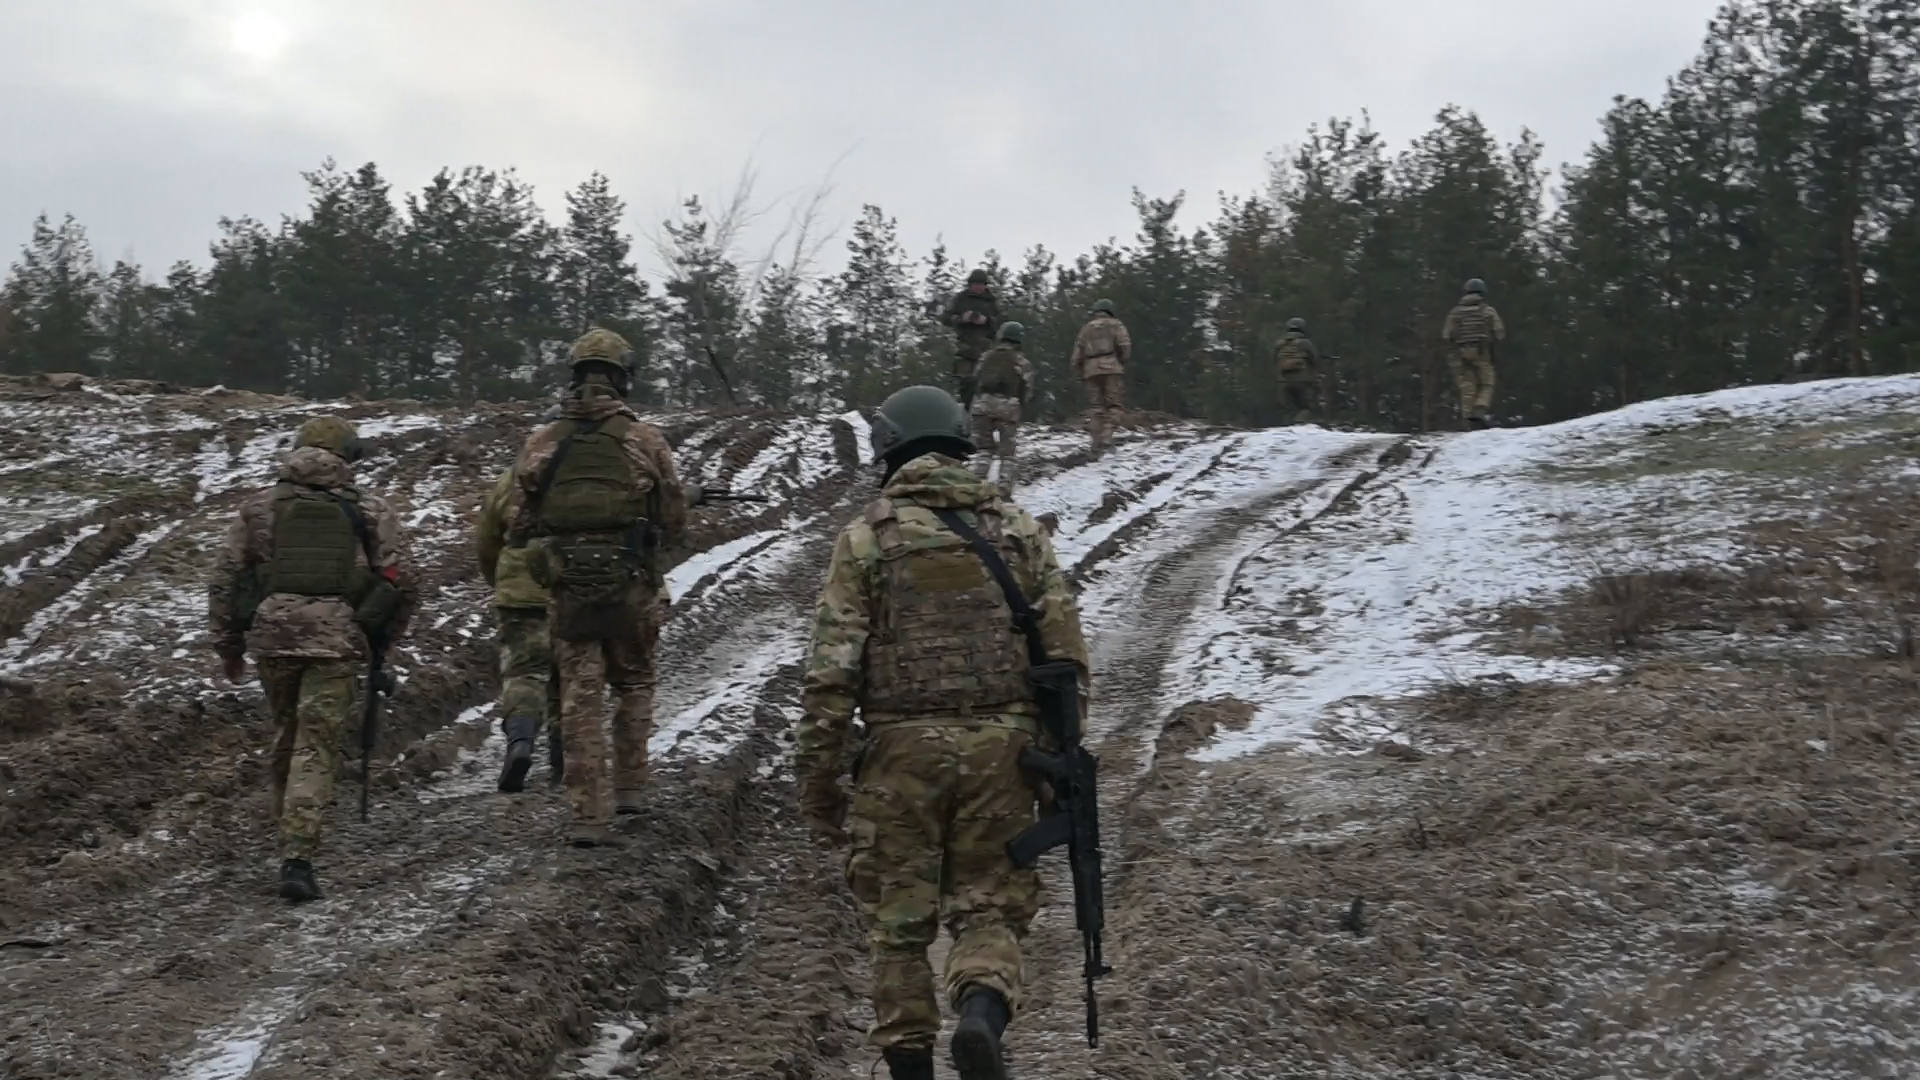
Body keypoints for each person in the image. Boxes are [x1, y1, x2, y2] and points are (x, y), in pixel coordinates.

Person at [796, 385, 1091, 1080]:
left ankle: (909, 1068)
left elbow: (831, 671)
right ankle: (982, 1011)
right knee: (990, 903)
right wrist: (1059, 759)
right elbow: (1065, 655)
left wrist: (818, 777)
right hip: (1005, 753)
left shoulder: (868, 538)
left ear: (889, 451)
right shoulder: (1017, 530)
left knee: (898, 926)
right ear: (962, 445)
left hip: (899, 756)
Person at [209, 415, 415, 902]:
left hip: (272, 638)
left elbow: (224, 579)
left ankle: (289, 839)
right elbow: (402, 580)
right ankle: (297, 855)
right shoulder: (368, 508)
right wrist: (384, 641)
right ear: (348, 456)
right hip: (336, 641)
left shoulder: (259, 508)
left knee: (285, 737)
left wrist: (228, 646)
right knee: (316, 745)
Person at [507, 328, 687, 848]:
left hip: (568, 588)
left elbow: (518, 524)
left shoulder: (542, 443)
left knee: (579, 696)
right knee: (633, 683)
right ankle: (631, 788)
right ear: (622, 379)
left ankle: (589, 814)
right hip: (632, 582)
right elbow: (674, 518)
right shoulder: (645, 439)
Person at [475, 466, 563, 792]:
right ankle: (563, 759)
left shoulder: (517, 475)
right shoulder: (590, 472)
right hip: (573, 586)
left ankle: (521, 742)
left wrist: (501, 582)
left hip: (520, 590)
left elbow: (486, 538)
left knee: (524, 672)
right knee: (570, 671)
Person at [968, 321, 1035, 491]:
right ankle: (1004, 488)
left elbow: (975, 378)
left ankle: (976, 484)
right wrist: (1019, 405)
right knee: (1007, 452)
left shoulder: (986, 356)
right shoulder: (1021, 361)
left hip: (982, 405)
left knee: (984, 449)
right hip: (1007, 406)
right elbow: (1028, 387)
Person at [1441, 277, 1507, 429]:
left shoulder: (1455, 312)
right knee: (1487, 382)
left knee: (1467, 386)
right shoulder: (1488, 310)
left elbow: (1446, 334)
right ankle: (1479, 412)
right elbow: (1500, 332)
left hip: (1461, 353)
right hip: (1481, 351)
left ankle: (1467, 421)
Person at [1070, 298, 1130, 457]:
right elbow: (1124, 346)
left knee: (1096, 408)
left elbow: (1077, 354)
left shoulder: (1085, 329)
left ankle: (1096, 443)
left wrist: (1079, 371)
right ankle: (1107, 436)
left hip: (1090, 369)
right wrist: (1121, 361)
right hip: (1111, 365)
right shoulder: (1116, 324)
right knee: (1115, 405)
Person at [941, 269, 1001, 409]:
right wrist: (962, 318)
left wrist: (986, 320)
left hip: (986, 349)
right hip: (965, 348)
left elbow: (1002, 321)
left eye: (981, 284)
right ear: (970, 284)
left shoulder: (992, 301)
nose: (978, 287)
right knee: (965, 385)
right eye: (975, 284)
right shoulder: (960, 299)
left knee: (986, 386)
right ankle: (965, 415)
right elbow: (945, 318)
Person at [1274, 317, 1320, 424]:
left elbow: (1274, 360)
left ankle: (1286, 431)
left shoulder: (1279, 344)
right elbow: (1314, 359)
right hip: (1302, 379)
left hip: (1283, 380)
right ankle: (1298, 426)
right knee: (1306, 407)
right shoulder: (1305, 343)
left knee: (1286, 409)